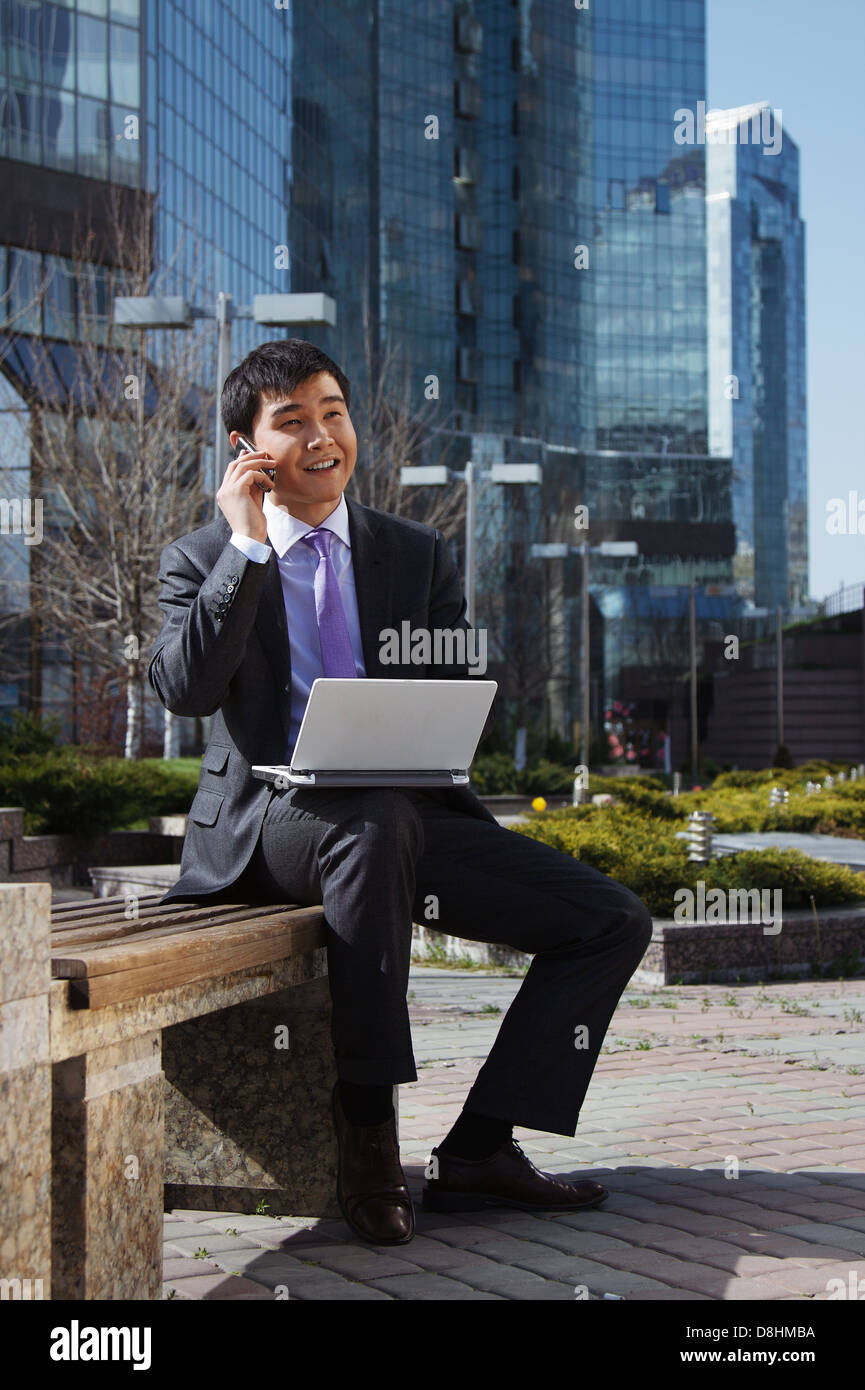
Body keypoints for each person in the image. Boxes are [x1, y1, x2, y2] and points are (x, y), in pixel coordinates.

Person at [148, 338, 653, 1247]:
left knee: (608, 919)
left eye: (332, 412)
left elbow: (458, 691)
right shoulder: (203, 559)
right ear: (246, 448)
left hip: (404, 813)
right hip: (272, 821)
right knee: (371, 824)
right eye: (292, 421)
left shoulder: (415, 554)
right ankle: (369, 1137)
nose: (322, 436)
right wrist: (247, 548)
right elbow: (183, 692)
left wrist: (449, 707)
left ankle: (478, 1150)